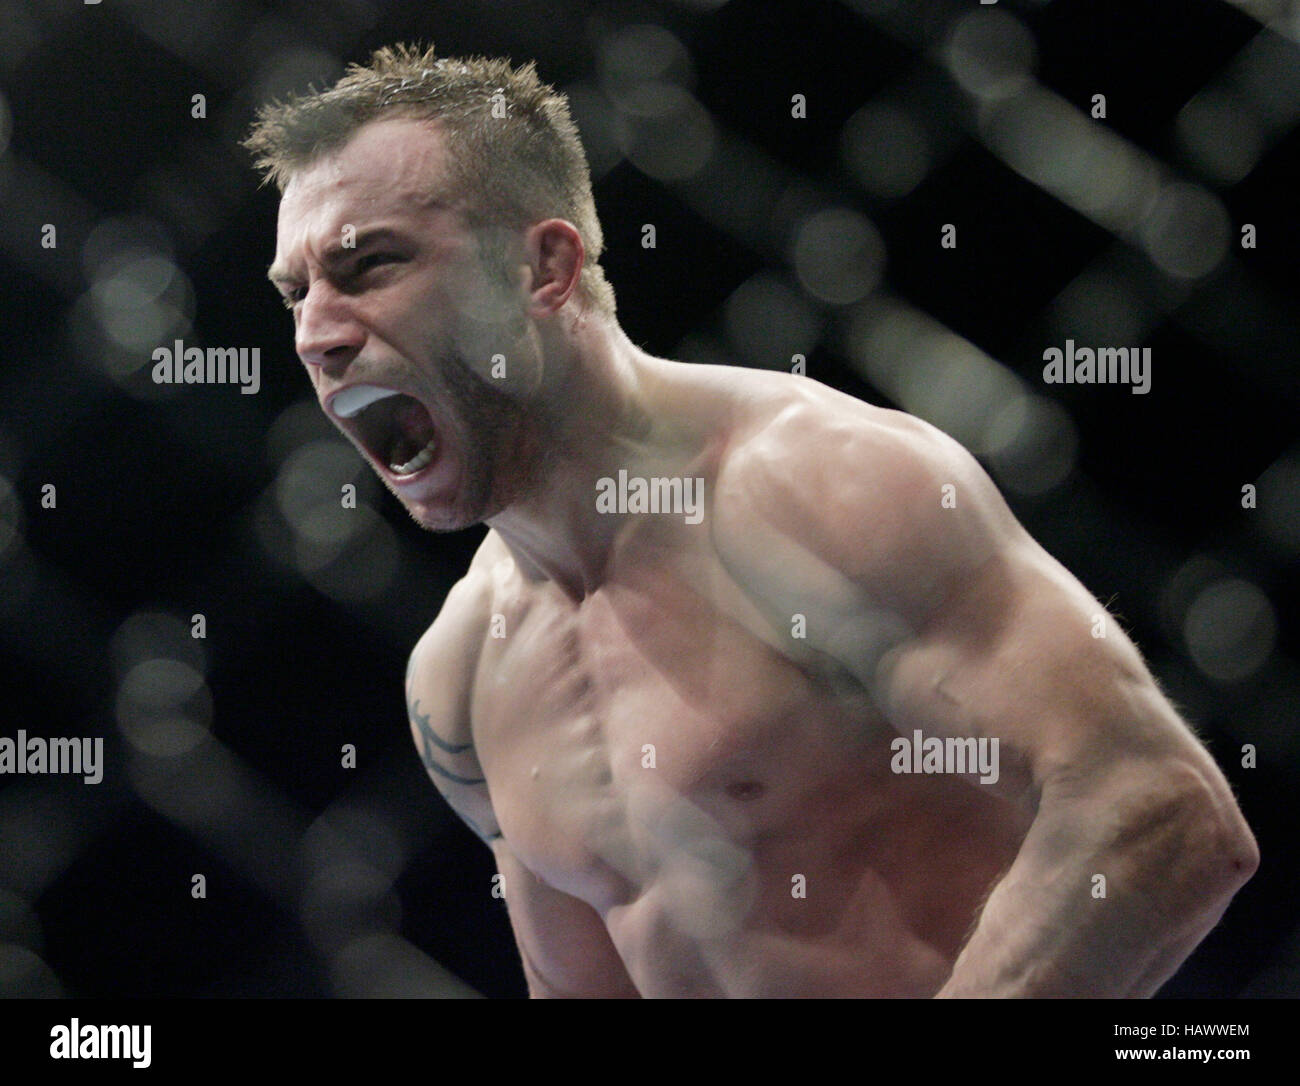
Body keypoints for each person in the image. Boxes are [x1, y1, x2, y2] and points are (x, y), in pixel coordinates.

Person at [245, 44, 1258, 997]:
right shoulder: (459, 677)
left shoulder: (821, 482)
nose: (317, 334)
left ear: (542, 269)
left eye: (369, 264)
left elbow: (1156, 811)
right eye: (294, 293)